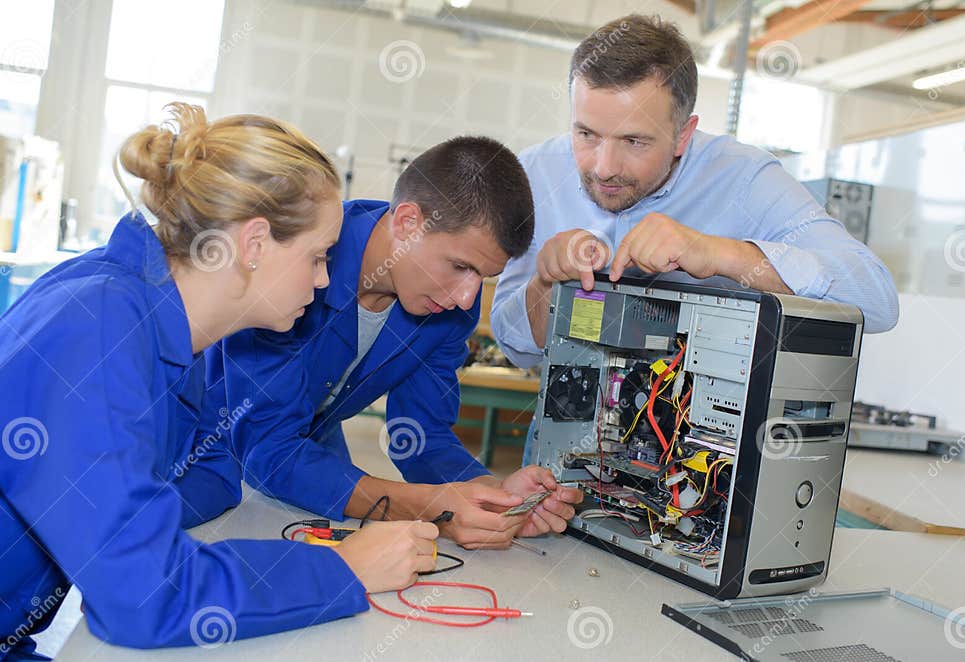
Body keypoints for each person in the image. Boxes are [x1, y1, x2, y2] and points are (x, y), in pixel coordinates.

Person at [0, 103, 437, 658]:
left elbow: (199, 480)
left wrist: (132, 548)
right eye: (318, 255)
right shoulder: (99, 329)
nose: (326, 279)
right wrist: (340, 568)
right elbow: (143, 597)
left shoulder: (156, 321)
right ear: (254, 245)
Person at [489, 16, 899, 462]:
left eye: (634, 141)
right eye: (586, 133)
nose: (604, 166)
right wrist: (544, 285)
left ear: (683, 133)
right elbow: (515, 348)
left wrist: (722, 254)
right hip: (562, 445)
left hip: (698, 460)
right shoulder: (534, 175)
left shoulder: (744, 179)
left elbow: (876, 299)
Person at [211, 136, 582, 551]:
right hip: (208, 448)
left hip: (307, 456)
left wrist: (493, 495)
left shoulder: (451, 306)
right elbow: (268, 448)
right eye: (460, 266)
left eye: (483, 276)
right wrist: (428, 507)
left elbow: (422, 433)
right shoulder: (304, 263)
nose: (466, 298)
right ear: (407, 223)